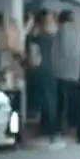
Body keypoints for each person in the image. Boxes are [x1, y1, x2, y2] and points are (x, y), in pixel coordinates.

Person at [52, 9, 80, 145]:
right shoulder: (78, 33)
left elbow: (55, 53)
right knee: (78, 105)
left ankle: (58, 131)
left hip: (61, 74)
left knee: (60, 105)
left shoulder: (59, 32)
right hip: (76, 74)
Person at [25, 9, 58, 145]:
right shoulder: (50, 37)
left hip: (40, 70)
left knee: (42, 101)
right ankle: (50, 130)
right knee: (49, 101)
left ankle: (44, 129)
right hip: (49, 70)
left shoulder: (36, 37)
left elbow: (33, 55)